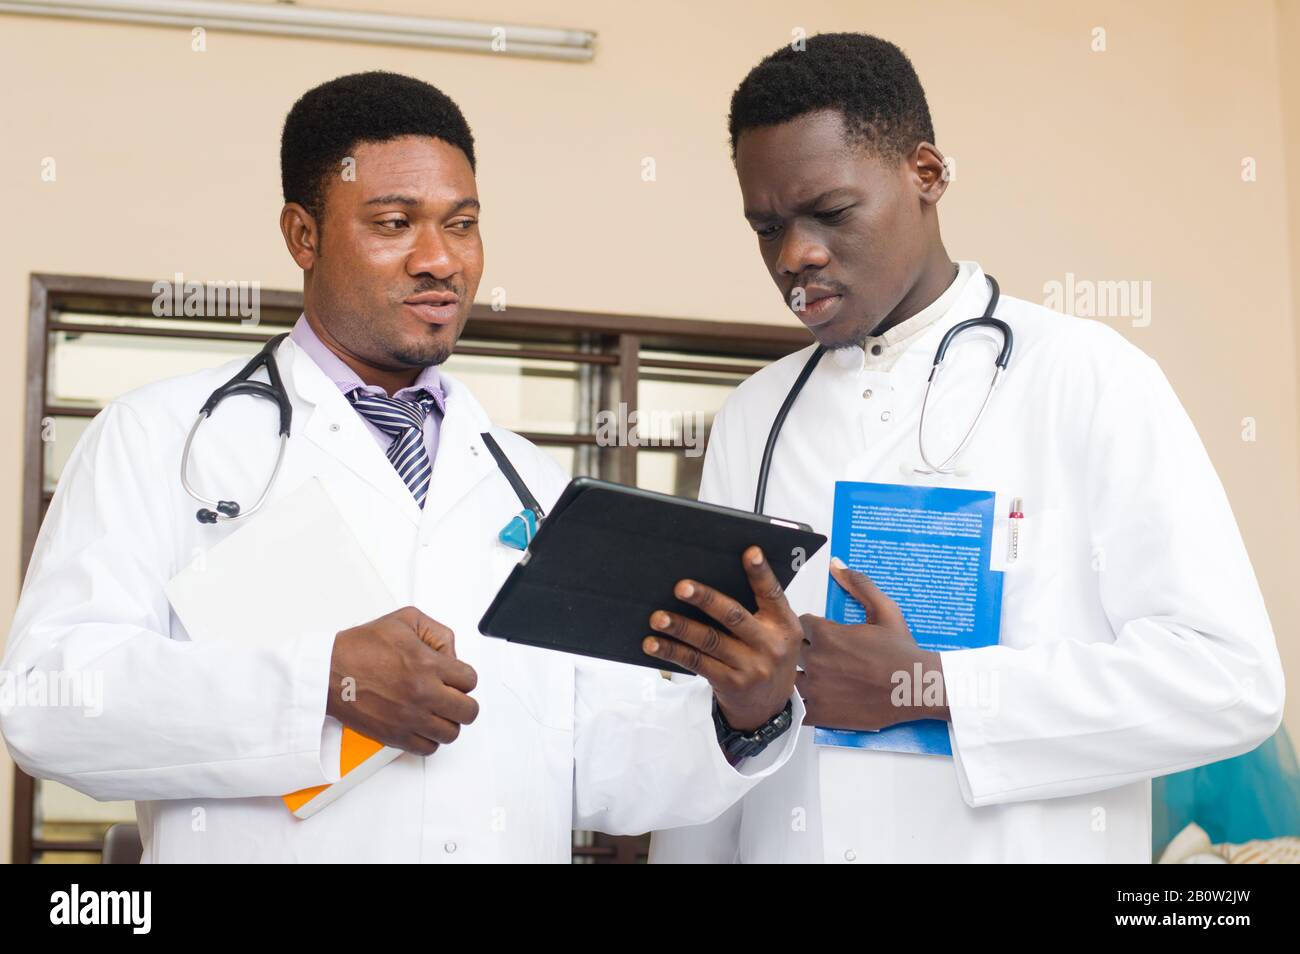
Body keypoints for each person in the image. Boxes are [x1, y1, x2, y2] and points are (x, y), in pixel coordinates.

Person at [0, 71, 804, 863]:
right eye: (394, 223)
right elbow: (47, 705)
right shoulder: (159, 438)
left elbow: (603, 773)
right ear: (302, 235)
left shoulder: (530, 480)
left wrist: (746, 713)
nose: (440, 260)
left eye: (462, 224)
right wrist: (319, 680)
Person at [649, 33, 1285, 863]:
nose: (794, 255)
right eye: (767, 227)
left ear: (927, 174)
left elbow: (1229, 685)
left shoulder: (1085, 376)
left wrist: (935, 688)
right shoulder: (756, 416)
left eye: (831, 213)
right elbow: (715, 706)